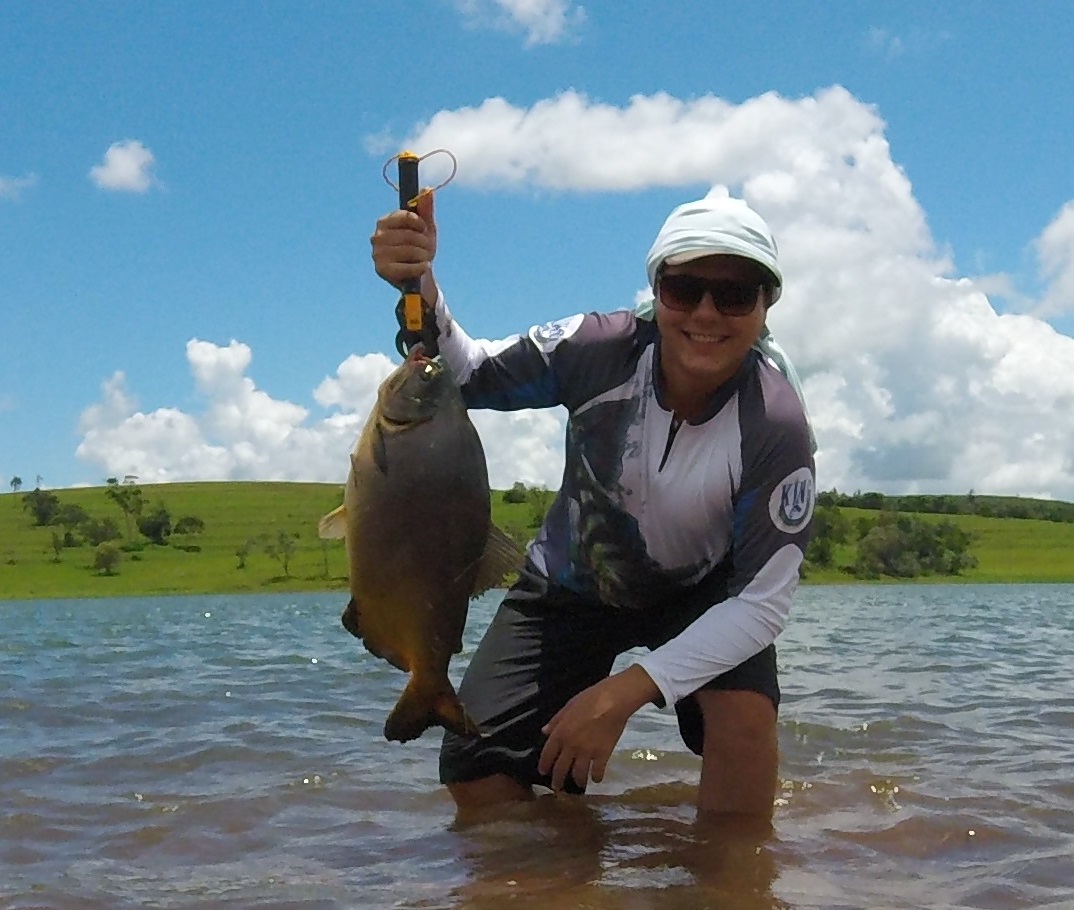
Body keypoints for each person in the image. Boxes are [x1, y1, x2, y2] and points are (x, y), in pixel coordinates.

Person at [369, 188, 816, 824]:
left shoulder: (776, 424)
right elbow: (470, 375)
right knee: (476, 767)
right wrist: (421, 281)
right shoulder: (595, 348)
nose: (707, 313)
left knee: (742, 726)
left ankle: (732, 882)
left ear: (767, 305)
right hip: (571, 582)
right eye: (685, 289)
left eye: (737, 294)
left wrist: (623, 694)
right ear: (657, 290)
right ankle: (570, 870)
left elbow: (763, 603)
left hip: (702, 590)